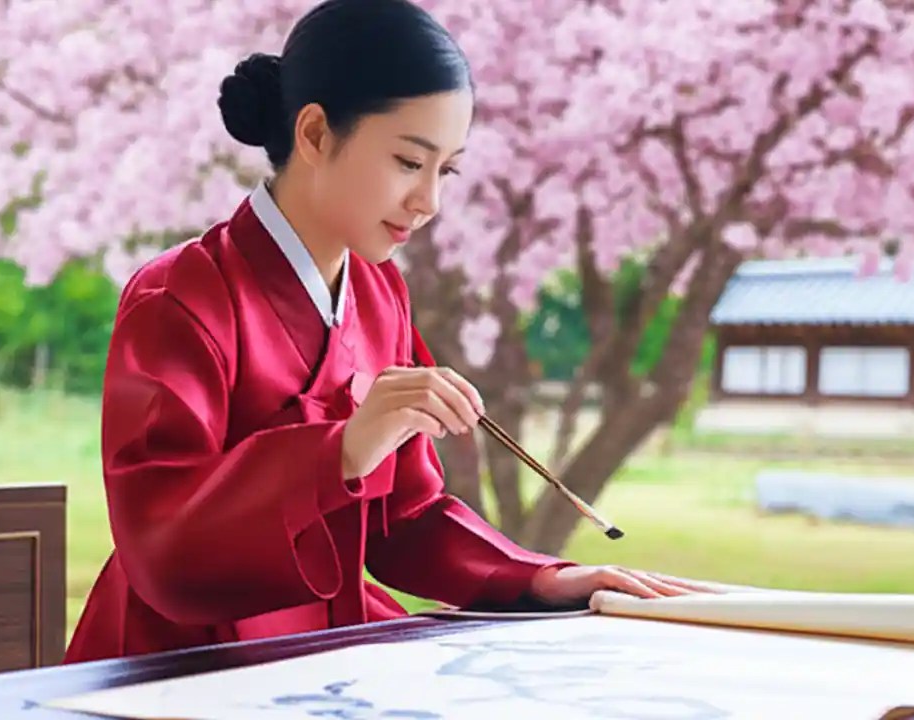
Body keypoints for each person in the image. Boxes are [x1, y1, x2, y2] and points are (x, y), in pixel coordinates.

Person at [64, 0, 709, 664]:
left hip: (325, 651)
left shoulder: (378, 294)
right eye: (408, 161)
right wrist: (338, 452)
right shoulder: (180, 296)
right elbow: (161, 549)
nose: (429, 201)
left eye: (446, 170)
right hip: (177, 663)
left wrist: (538, 577)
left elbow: (406, 519)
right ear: (314, 133)